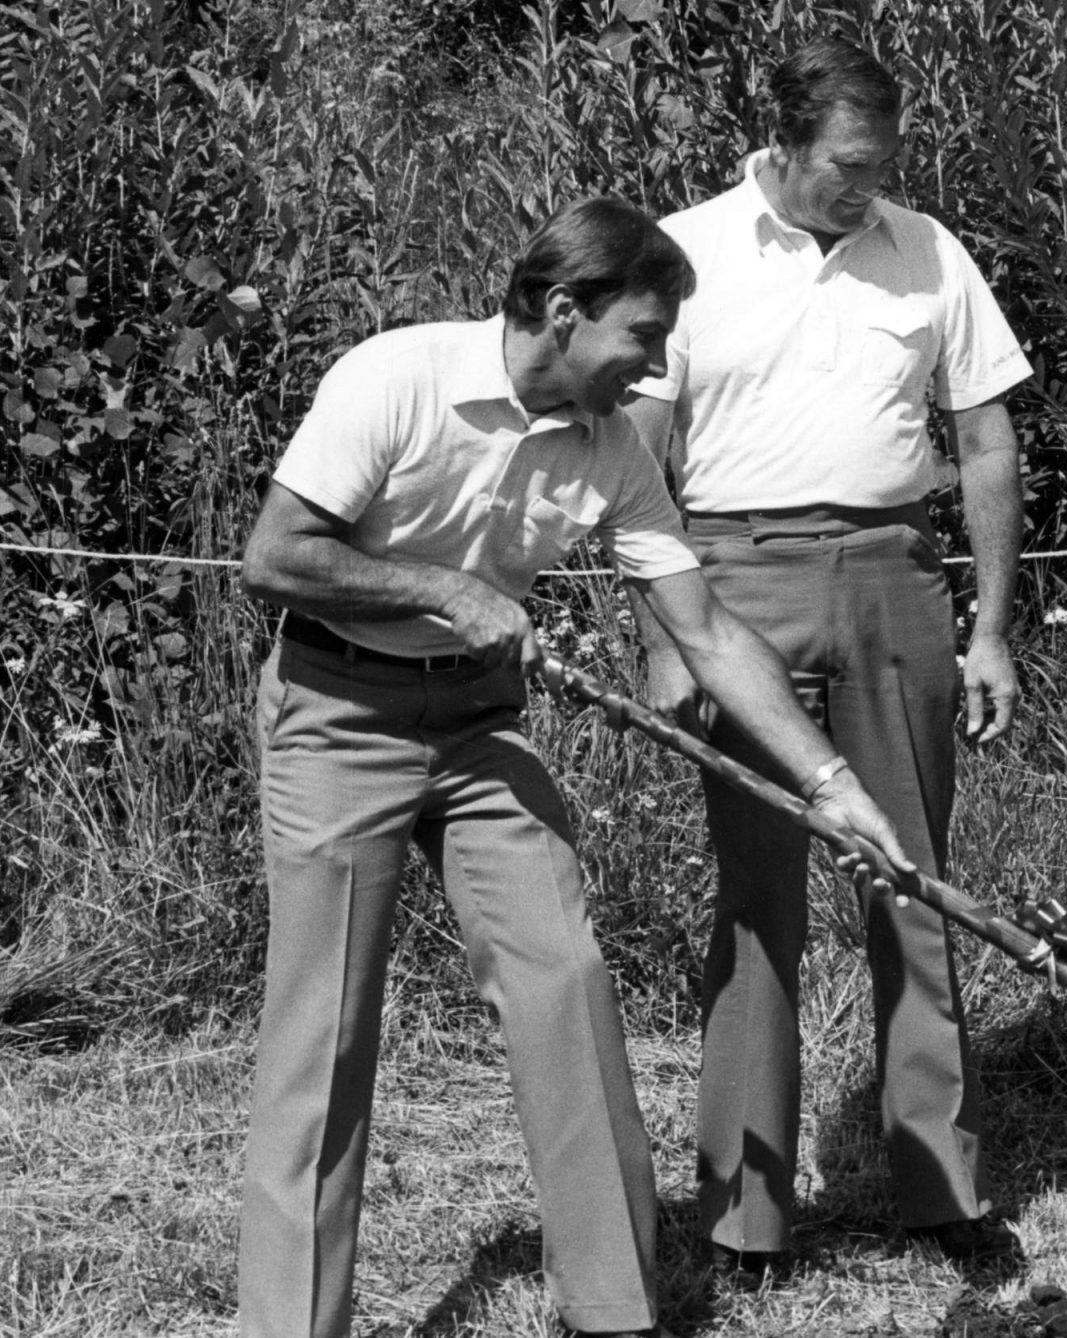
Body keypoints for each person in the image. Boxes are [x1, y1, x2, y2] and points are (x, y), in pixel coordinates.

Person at [236, 195, 913, 1338]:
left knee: (566, 977)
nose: (653, 371)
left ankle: (614, 1309)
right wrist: (448, 591)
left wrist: (829, 786)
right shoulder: (393, 378)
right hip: (337, 712)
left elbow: (704, 632)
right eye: (642, 339)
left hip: (480, 726)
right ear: (562, 311)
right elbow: (276, 555)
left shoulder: (610, 448)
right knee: (327, 1025)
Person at [619, 36, 1031, 1270]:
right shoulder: (684, 252)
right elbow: (637, 458)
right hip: (731, 585)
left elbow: (989, 442)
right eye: (846, 167)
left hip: (896, 585)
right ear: (783, 143)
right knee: (757, 906)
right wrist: (660, 638)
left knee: (911, 880)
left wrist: (993, 629)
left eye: (881, 165)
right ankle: (743, 1216)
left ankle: (941, 1188)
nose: (866, 187)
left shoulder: (926, 250)